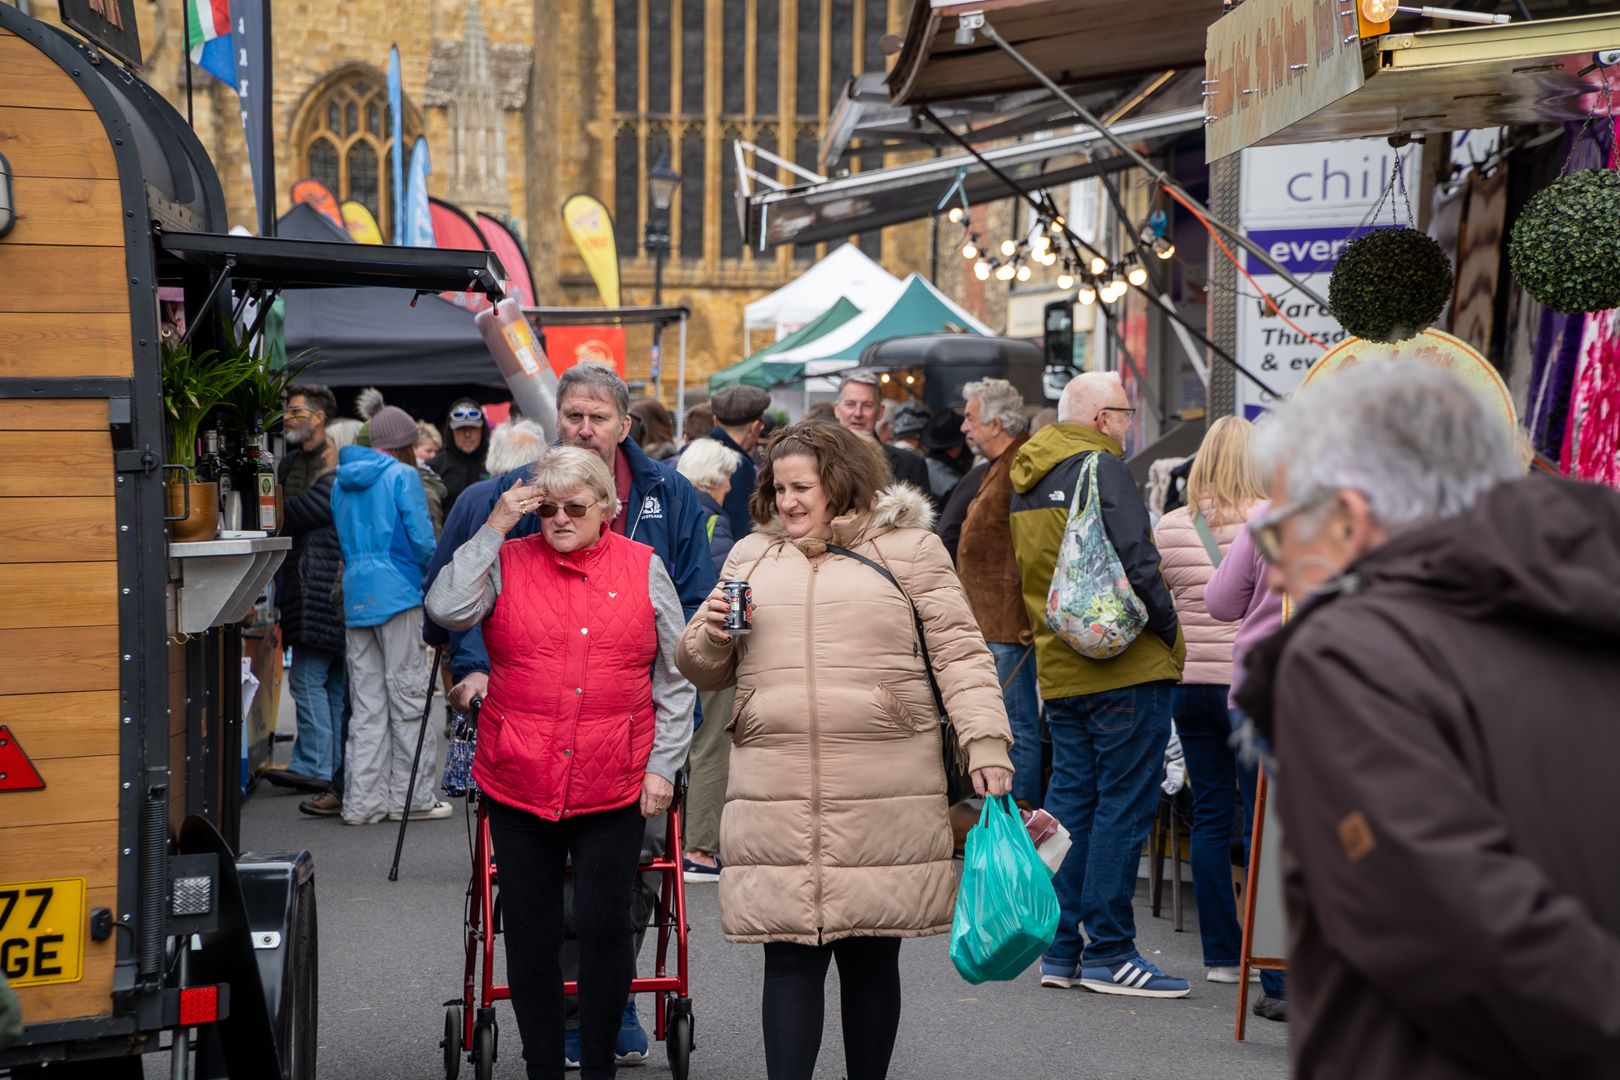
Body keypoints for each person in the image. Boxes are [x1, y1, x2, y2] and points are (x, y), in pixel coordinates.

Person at [1236, 362, 1620, 1077]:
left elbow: (1448, 922)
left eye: (1282, 534)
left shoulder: (1349, 653)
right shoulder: (1591, 604)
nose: (1278, 572)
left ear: (1349, 516)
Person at [675, 420, 1014, 1080]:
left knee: (869, 954)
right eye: (778, 489)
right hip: (776, 786)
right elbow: (702, 665)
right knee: (790, 955)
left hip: (883, 782)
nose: (789, 502)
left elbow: (961, 652)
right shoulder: (750, 555)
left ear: (840, 482)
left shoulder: (910, 550)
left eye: (802, 486)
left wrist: (986, 743)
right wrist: (711, 634)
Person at [440, 363, 715, 1062]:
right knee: (529, 931)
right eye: (549, 508)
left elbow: (675, 674)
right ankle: (541, 1063)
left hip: (614, 776)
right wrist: (498, 524)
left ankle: (598, 1059)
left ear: (606, 508)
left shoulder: (642, 564)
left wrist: (663, 766)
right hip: (518, 772)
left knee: (602, 925)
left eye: (575, 509)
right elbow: (446, 609)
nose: (560, 519)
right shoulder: (508, 554)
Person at [1009, 371, 1188, 998]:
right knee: (1124, 805)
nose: (1129, 423)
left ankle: (1062, 950)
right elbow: (1139, 559)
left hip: (1061, 669)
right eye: (1125, 411)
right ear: (1100, 417)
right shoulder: (1101, 467)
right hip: (1124, 665)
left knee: (1075, 803)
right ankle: (1111, 950)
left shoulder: (1025, 479)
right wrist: (1167, 630)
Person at [1152, 417, 1266, 987]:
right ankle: (1268, 959)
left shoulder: (1170, 527)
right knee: (1262, 819)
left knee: (1211, 817)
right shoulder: (1271, 521)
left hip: (1189, 686)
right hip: (1250, 687)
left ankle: (1221, 954)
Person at [331, 405, 450, 825]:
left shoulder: (339, 483)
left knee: (366, 705)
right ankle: (411, 798)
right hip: (399, 593)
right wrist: (432, 576)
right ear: (403, 446)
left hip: (356, 597)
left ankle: (361, 804)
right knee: (409, 696)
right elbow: (421, 540)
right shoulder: (404, 477)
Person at [1205, 496, 1288, 1020]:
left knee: (1268, 833)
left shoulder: (1270, 515)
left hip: (1263, 692)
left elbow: (1219, 603)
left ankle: (1281, 981)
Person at [956, 378, 1041, 808]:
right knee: (1007, 721)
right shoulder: (1003, 462)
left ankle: (1019, 819)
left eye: (970, 418)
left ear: (994, 421)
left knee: (1015, 724)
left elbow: (1030, 544)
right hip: (992, 620)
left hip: (1008, 625)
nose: (964, 427)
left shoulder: (1019, 462)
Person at [267, 383, 345, 794]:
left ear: (318, 418)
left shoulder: (338, 462)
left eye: (296, 411)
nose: (287, 418)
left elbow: (298, 511)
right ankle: (327, 765)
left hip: (323, 586)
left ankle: (314, 764)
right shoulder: (289, 463)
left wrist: (274, 515)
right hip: (309, 584)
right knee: (327, 681)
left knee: (308, 679)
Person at [672, 437, 744, 882]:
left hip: (667, 642)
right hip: (703, 642)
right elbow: (730, 587)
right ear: (715, 478)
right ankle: (699, 848)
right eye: (729, 476)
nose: (732, 484)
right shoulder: (715, 520)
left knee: (676, 743)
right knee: (712, 742)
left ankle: (674, 840)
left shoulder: (669, 506)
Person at [833, 371, 931, 494]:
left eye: (867, 405)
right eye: (850, 404)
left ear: (880, 412)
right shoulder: (819, 459)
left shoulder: (911, 464)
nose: (858, 413)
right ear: (837, 410)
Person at [704, 384, 770, 540]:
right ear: (755, 427)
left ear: (715, 420)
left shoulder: (692, 452)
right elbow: (740, 531)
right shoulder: (740, 467)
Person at [430, 398, 490, 514]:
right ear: (451, 432)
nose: (467, 435)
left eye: (473, 428)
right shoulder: (434, 467)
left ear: (482, 430)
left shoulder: (495, 464)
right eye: (461, 429)